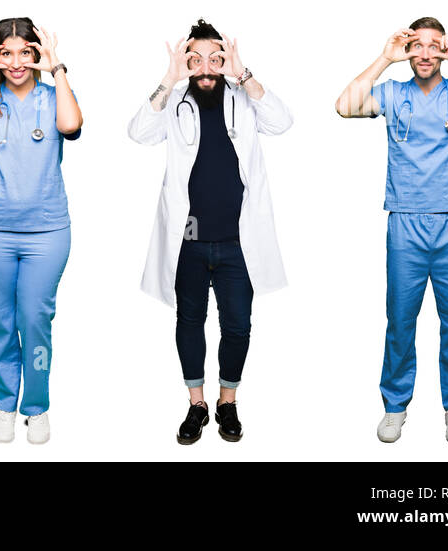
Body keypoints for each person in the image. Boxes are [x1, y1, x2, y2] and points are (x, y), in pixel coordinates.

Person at [335, 17, 448, 445]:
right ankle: (395, 407)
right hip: (405, 222)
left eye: (434, 46)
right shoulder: (393, 93)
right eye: (416, 46)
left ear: (444, 50)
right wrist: (384, 58)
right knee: (400, 320)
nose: (424, 54)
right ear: (407, 50)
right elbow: (345, 105)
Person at [128, 19, 292, 445]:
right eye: (195, 59)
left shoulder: (244, 97)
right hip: (188, 240)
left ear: (225, 62)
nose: (204, 68)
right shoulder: (174, 98)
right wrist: (168, 78)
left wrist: (245, 73)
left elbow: (282, 121)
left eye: (214, 60)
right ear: (185, 62)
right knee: (189, 321)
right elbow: (139, 132)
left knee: (238, 326)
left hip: (240, 241)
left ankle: (228, 401)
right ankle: (197, 404)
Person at [0, 18, 82, 445]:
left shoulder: (53, 94)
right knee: (2, 321)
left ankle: (37, 407)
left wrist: (56, 65)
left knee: (35, 318)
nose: (16, 62)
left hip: (47, 232)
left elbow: (70, 126)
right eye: (4, 53)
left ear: (38, 54)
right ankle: (4, 404)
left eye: (25, 52)